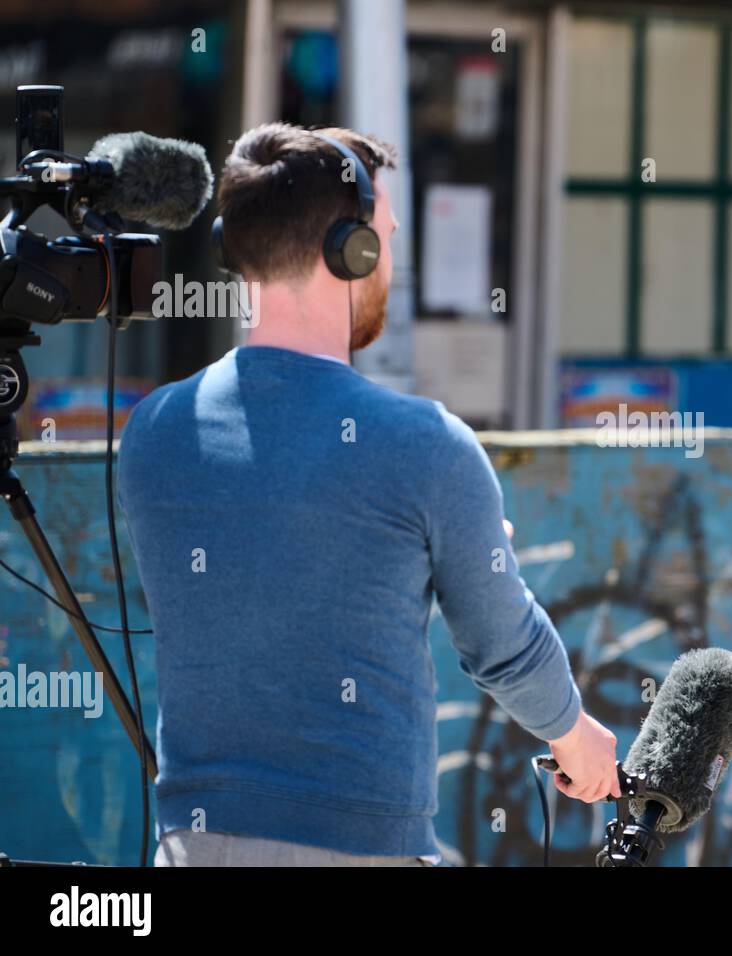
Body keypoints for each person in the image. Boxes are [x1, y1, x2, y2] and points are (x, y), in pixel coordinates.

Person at [118, 122, 619, 867]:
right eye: (383, 236)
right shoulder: (423, 445)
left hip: (188, 845)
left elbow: (261, 568)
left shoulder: (154, 431)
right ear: (349, 251)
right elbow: (502, 645)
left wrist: (422, 550)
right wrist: (578, 736)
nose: (389, 260)